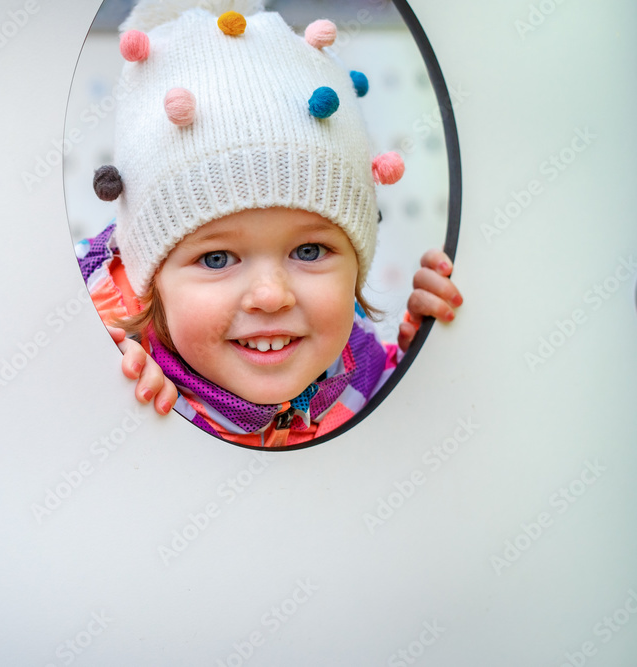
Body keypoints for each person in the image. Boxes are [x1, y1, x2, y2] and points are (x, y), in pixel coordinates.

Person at [76, 1, 462, 448]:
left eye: (310, 251)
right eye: (217, 258)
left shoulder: (361, 367)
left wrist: (418, 374)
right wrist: (113, 406)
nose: (271, 295)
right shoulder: (106, 357)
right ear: (152, 282)